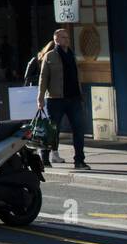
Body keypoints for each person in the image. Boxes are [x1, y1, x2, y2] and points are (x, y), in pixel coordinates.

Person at [37, 28, 90, 170]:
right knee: (52, 130)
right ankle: (44, 158)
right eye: (63, 37)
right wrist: (40, 97)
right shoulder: (50, 56)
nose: (67, 39)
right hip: (55, 99)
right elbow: (43, 78)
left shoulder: (72, 55)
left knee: (79, 129)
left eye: (67, 37)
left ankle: (79, 160)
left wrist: (80, 95)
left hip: (74, 98)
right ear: (56, 40)